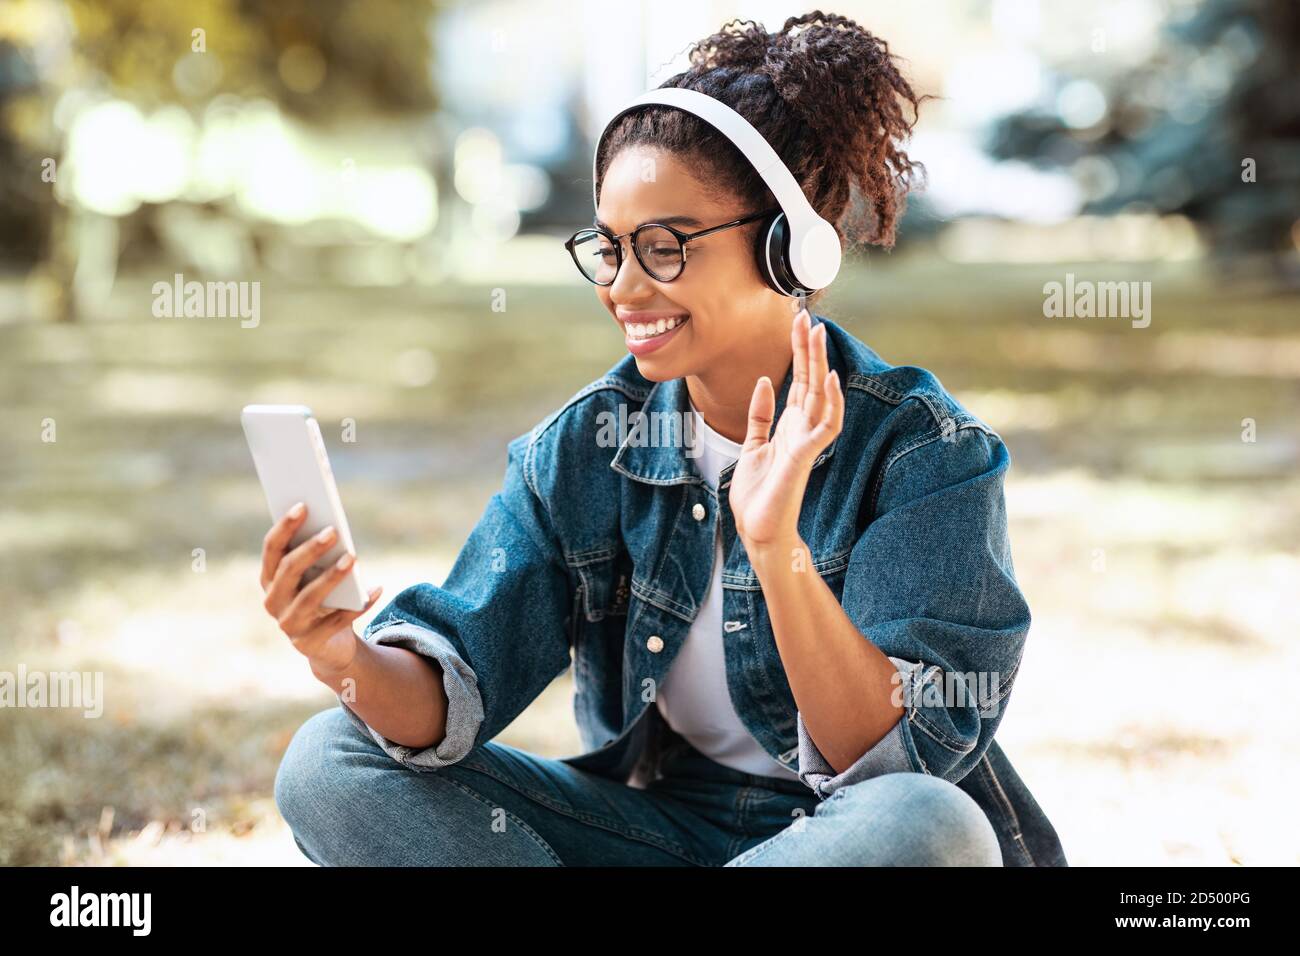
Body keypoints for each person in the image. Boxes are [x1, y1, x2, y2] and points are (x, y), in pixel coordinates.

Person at [266, 12, 1067, 867]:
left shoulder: (924, 453)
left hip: (848, 841)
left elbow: (891, 763)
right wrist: (341, 651)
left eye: (664, 247)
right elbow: (450, 690)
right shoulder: (582, 448)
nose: (623, 286)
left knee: (931, 827)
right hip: (658, 832)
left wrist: (776, 549)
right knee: (329, 759)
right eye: (608, 248)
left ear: (787, 248)